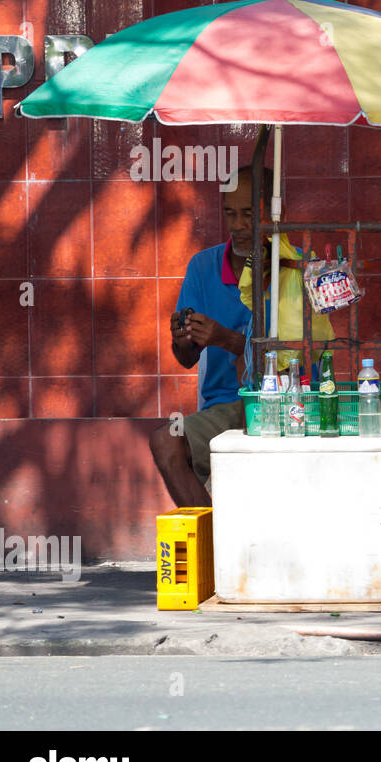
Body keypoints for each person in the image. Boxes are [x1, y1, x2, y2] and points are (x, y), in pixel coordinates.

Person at [148, 166, 262, 508]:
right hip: (226, 406)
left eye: (248, 214)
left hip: (282, 403)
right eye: (230, 213)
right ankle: (212, 545)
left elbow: (293, 355)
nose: (238, 225)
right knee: (166, 442)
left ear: (274, 213)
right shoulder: (203, 267)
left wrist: (229, 339)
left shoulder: (290, 266)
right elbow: (186, 359)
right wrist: (183, 340)